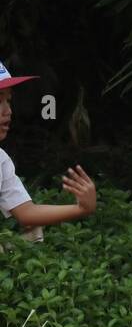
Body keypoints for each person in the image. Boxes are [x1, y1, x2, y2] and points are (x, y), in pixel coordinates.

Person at [0, 58, 96, 240]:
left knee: (34, 234)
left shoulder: (1, 159)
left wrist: (81, 208)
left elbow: (26, 212)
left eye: (9, 100)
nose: (8, 111)